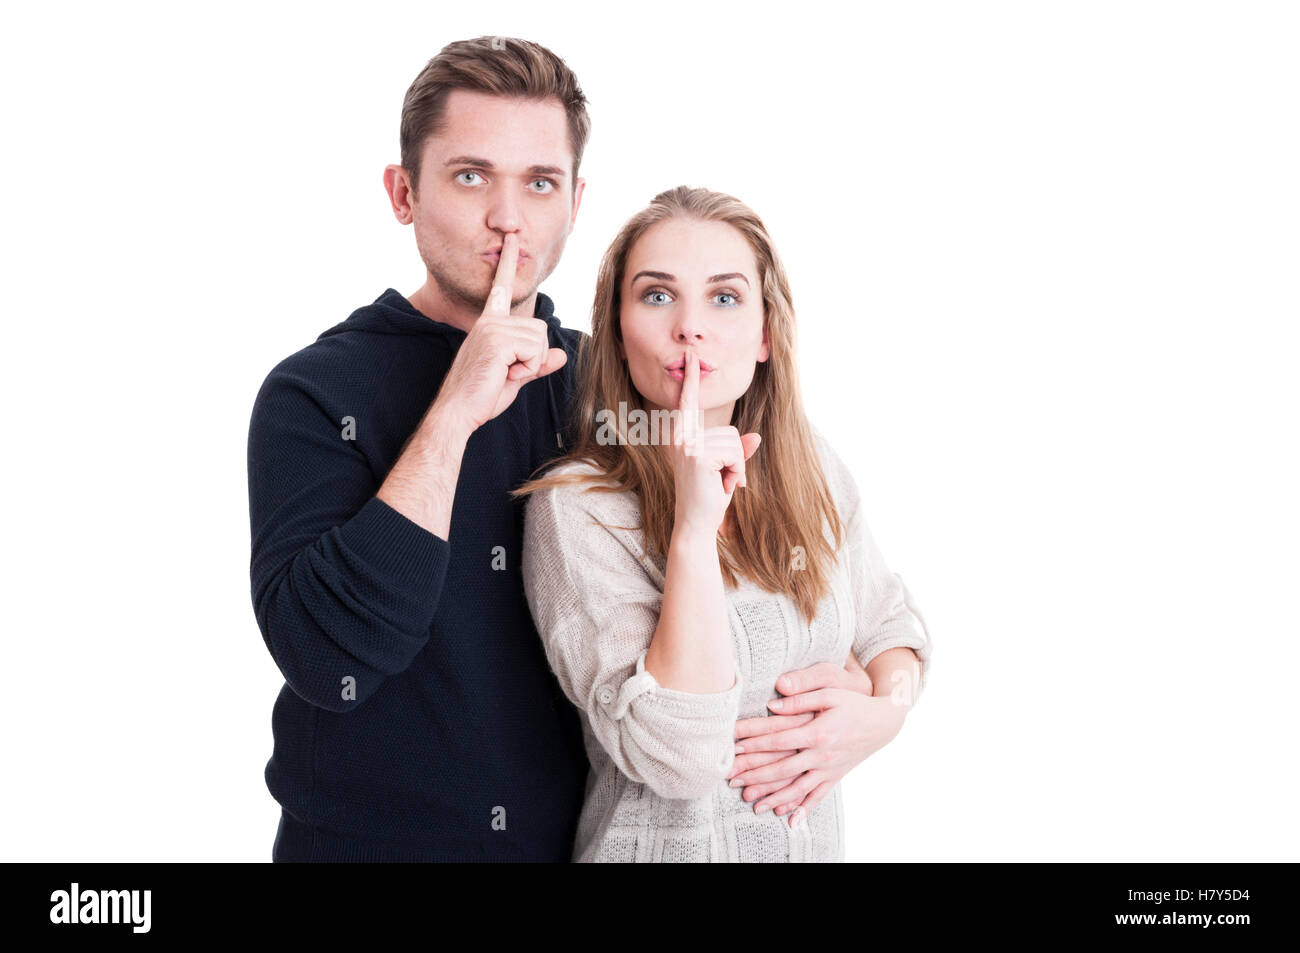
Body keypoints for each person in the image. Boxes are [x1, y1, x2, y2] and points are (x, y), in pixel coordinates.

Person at [516, 186, 933, 862]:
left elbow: (896, 628)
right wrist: (693, 532)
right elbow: (680, 758)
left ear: (766, 333)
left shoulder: (810, 465)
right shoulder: (578, 506)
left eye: (725, 297)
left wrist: (883, 714)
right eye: (656, 295)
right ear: (618, 331)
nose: (690, 326)